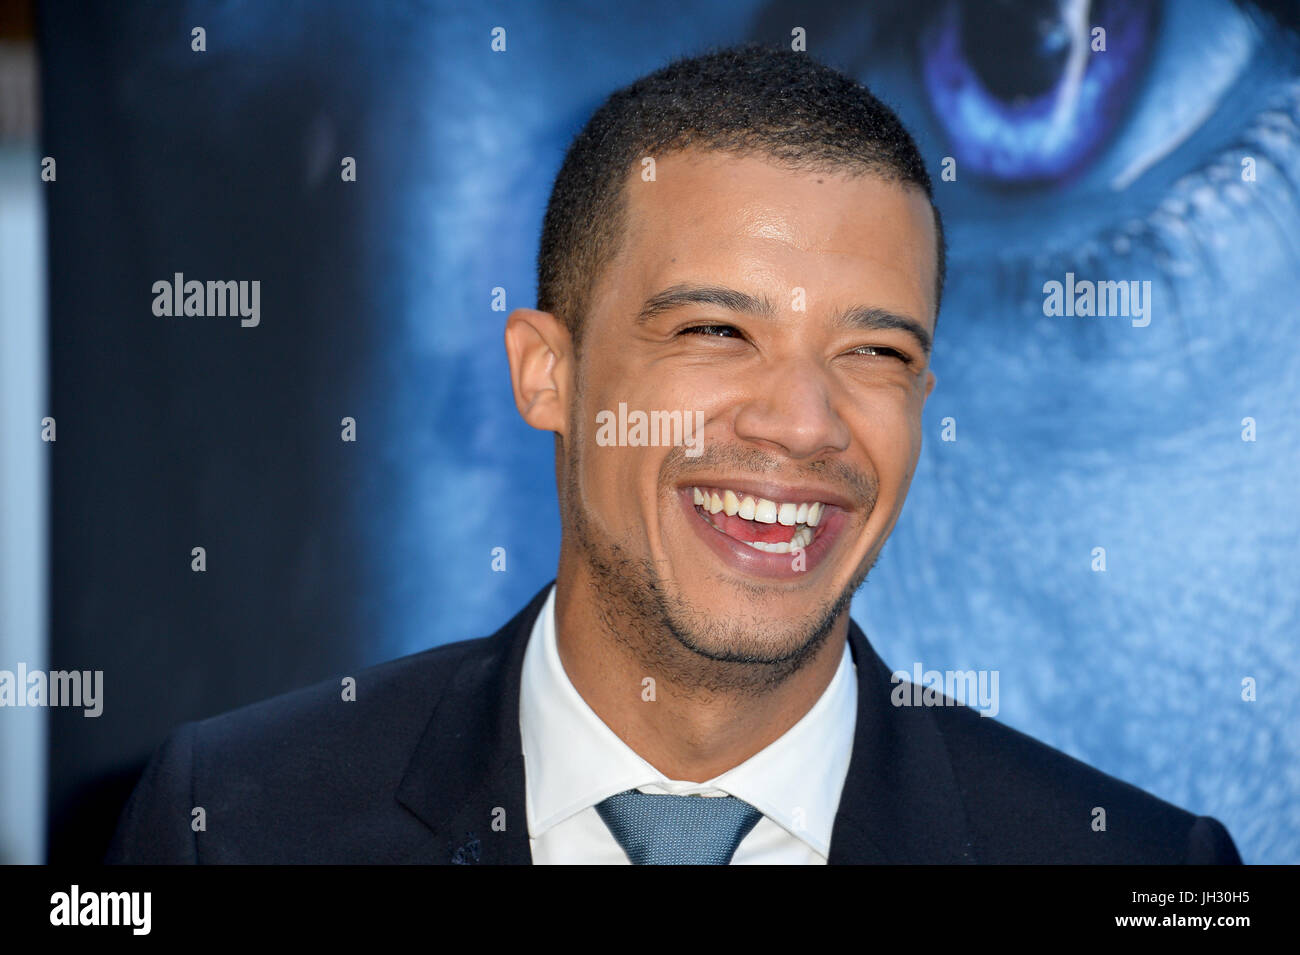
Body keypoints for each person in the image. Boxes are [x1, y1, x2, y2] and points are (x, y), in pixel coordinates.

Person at [106, 43, 1241, 865]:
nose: (803, 424)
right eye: (713, 331)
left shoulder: (1141, 870)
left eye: (875, 351)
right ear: (547, 372)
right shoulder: (233, 823)